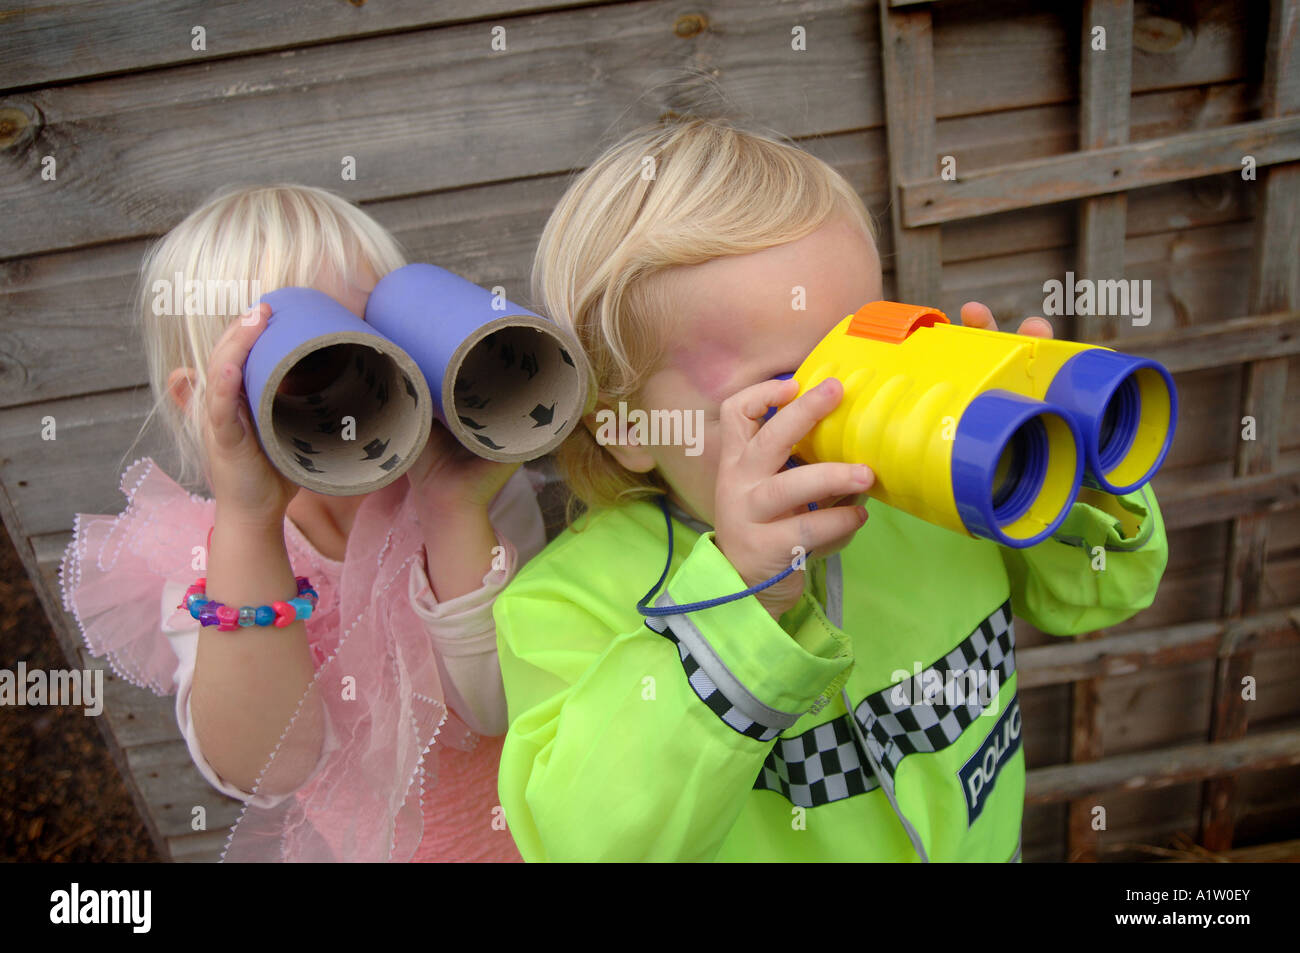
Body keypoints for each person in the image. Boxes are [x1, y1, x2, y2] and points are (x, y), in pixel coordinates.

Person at [494, 116, 1169, 861]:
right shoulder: (563, 606)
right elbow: (590, 845)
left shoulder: (924, 502)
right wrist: (735, 611)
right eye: (794, 385)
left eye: (867, 348)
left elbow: (1102, 594)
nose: (849, 403)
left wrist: (1054, 466)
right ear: (624, 425)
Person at [60, 184, 544, 862]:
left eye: (371, 344)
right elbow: (266, 765)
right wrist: (249, 525)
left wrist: (453, 509)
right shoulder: (206, 564)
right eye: (305, 363)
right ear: (203, 399)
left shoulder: (470, 492)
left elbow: (505, 705)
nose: (347, 389)